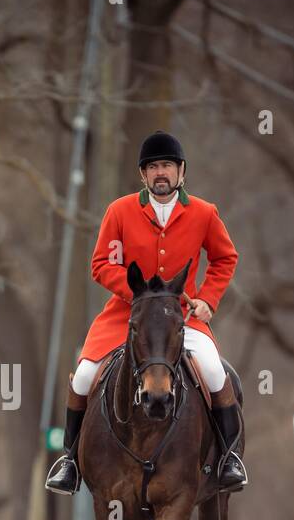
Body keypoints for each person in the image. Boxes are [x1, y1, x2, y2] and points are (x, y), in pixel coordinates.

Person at [45, 130, 248, 495]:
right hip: (126, 315)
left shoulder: (204, 213)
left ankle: (228, 458)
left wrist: (209, 300)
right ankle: (71, 462)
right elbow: (101, 263)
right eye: (153, 167)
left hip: (182, 316)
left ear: (181, 171)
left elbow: (225, 258)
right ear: (143, 175)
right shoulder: (119, 210)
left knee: (216, 372)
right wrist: (138, 294)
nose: (160, 173)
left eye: (167, 166)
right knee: (83, 377)